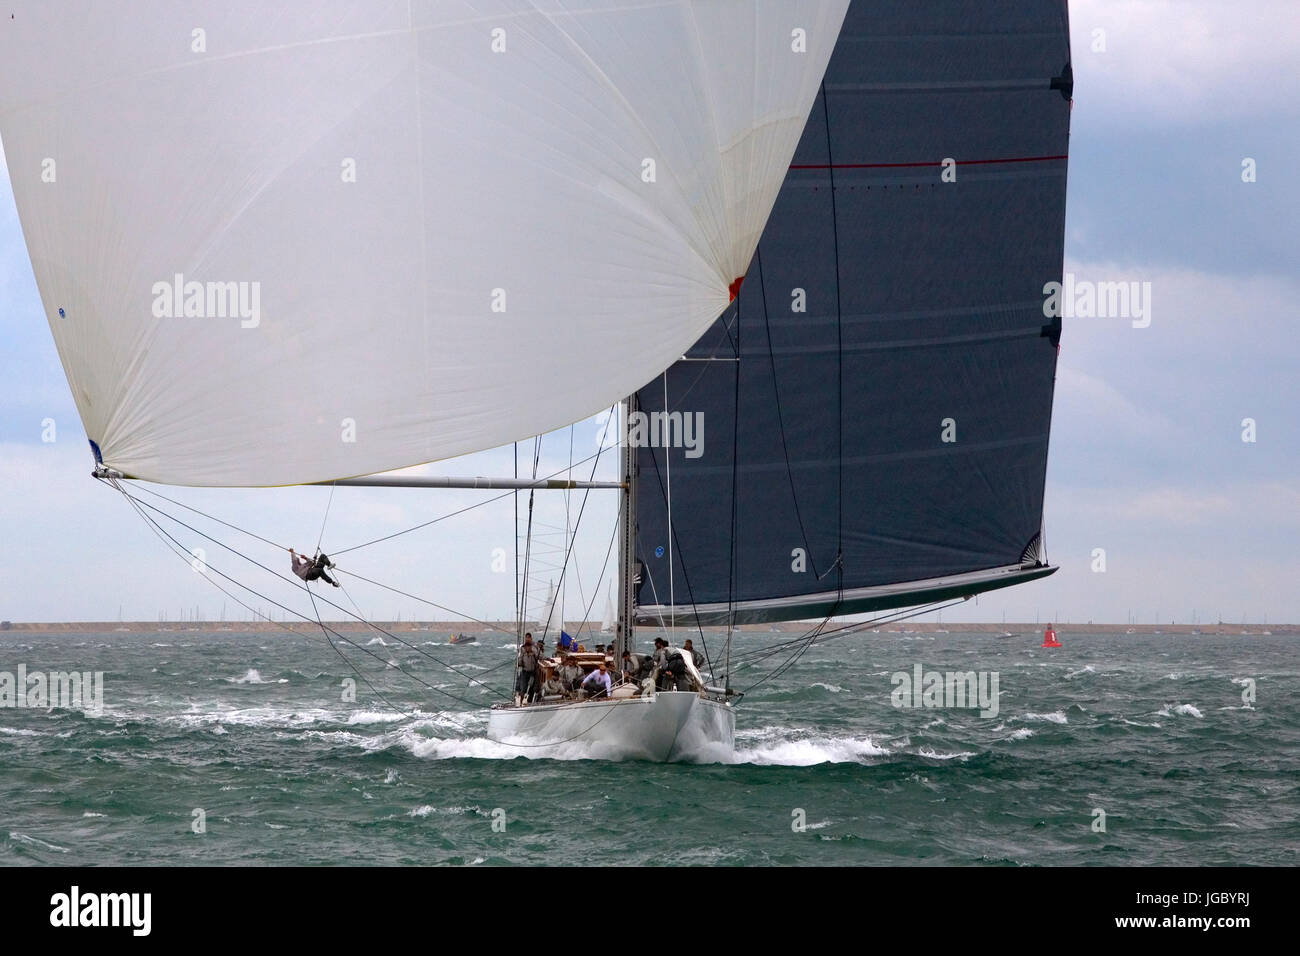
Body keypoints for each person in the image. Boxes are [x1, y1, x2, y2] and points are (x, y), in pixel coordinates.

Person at [516, 633, 541, 704]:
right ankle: (521, 702)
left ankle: (530, 701)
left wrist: (547, 658)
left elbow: (540, 656)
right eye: (526, 638)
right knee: (523, 687)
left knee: (534, 688)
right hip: (525, 671)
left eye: (528, 638)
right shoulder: (522, 649)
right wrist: (519, 663)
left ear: (531, 638)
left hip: (533, 671)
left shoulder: (535, 647)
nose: (528, 648)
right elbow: (520, 660)